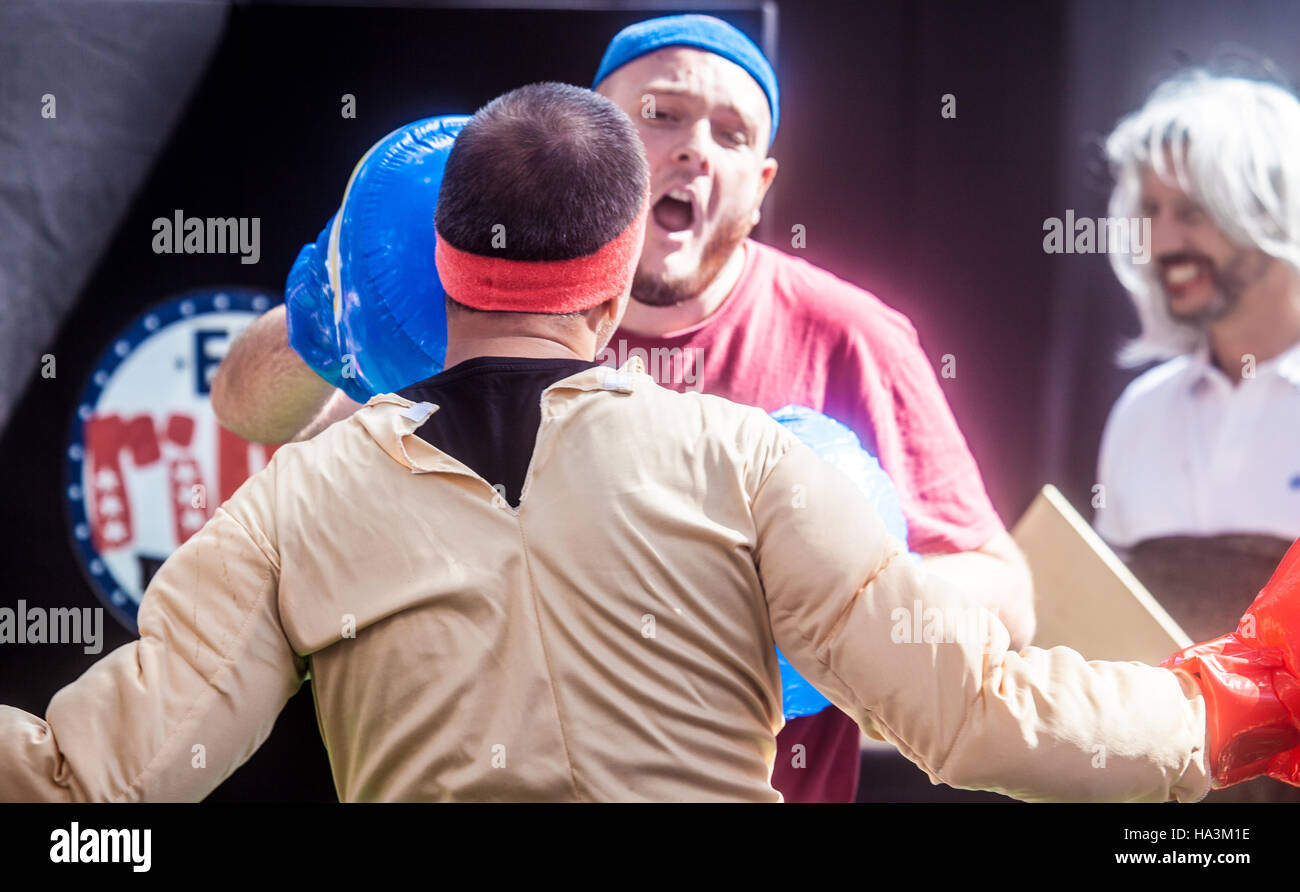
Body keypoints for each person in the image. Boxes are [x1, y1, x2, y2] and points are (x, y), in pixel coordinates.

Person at [7, 81, 1294, 802]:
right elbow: (982, 719)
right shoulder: (758, 469)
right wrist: (1232, 702)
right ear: (620, 271)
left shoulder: (298, 503)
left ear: (439, 262)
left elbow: (87, 790)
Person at [211, 14, 1035, 802]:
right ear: (592, 145)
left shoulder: (848, 335)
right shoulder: (479, 292)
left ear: (759, 188)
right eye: (661, 114)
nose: (695, 148)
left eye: (732, 134)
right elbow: (248, 411)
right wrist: (332, 310)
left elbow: (1005, 596)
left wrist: (830, 591)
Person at [1096, 70, 1300, 557]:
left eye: (1194, 211)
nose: (1162, 242)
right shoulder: (1140, 414)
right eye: (1151, 211)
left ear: (1275, 213)